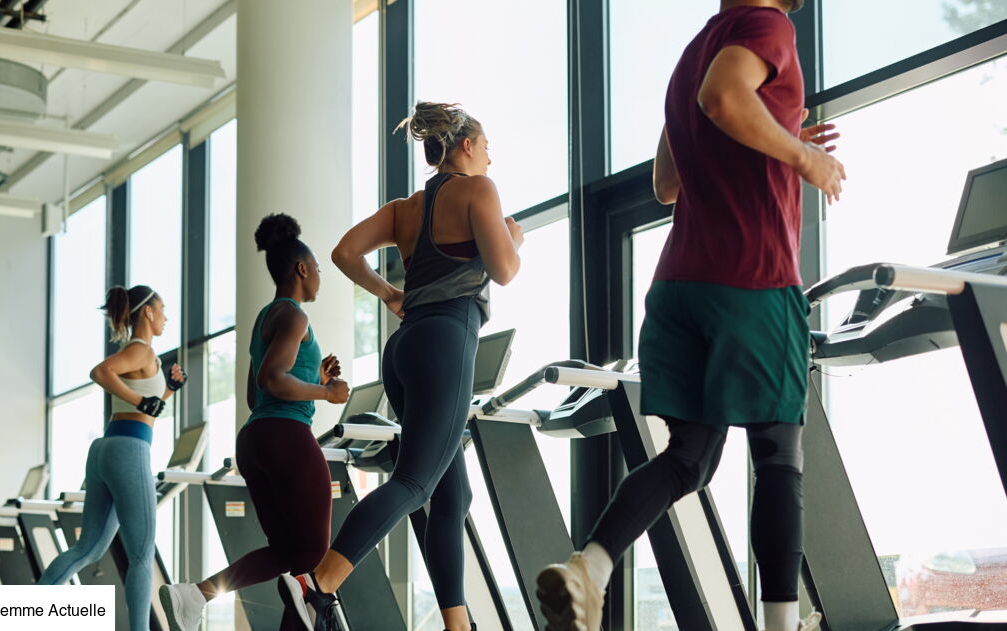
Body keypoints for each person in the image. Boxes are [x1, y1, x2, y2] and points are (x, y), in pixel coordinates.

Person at [537, 0, 845, 630]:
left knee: (688, 459)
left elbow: (666, 182)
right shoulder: (768, 27)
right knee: (778, 453)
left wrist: (778, 141)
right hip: (751, 280)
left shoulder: (691, 54)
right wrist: (803, 157)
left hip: (679, 287)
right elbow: (725, 100)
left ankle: (589, 567)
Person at [305, 101, 524, 631]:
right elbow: (506, 270)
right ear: (466, 146)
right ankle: (318, 582)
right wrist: (513, 233)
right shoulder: (479, 192)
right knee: (415, 483)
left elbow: (343, 252)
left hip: (404, 348)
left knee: (453, 493)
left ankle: (457, 624)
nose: (491, 159)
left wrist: (389, 293)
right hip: (447, 341)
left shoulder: (406, 208)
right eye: (487, 146)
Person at [160, 213, 350, 631]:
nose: (319, 275)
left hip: (256, 440)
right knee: (316, 559)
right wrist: (328, 393)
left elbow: (255, 394)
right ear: (301, 268)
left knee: (287, 553)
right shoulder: (295, 317)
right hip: (287, 439)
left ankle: (195, 595)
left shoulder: (266, 318)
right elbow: (270, 380)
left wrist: (312, 379)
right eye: (317, 268)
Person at [38, 285, 186, 631]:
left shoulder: (143, 356)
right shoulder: (141, 351)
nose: (166, 316)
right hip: (129, 450)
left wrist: (167, 390)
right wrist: (139, 401)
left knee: (86, 549)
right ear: (148, 312)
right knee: (141, 555)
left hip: (107, 448)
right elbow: (100, 372)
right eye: (162, 309)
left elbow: (149, 410)